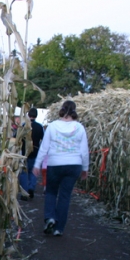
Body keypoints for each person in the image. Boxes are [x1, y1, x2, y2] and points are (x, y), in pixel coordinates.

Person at [32, 100, 89, 237]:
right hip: (74, 165)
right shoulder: (79, 127)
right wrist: (85, 168)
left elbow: (44, 147)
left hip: (55, 164)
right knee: (65, 196)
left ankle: (50, 218)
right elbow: (84, 151)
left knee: (51, 192)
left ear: (62, 110)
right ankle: (59, 229)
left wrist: (37, 164)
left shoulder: (52, 126)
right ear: (75, 111)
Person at [22, 108, 44, 198]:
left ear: (28, 115)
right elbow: (43, 139)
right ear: (36, 116)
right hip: (35, 151)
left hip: (24, 152)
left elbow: (17, 138)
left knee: (24, 172)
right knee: (33, 171)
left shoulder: (24, 125)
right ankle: (31, 187)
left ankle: (24, 190)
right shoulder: (39, 127)